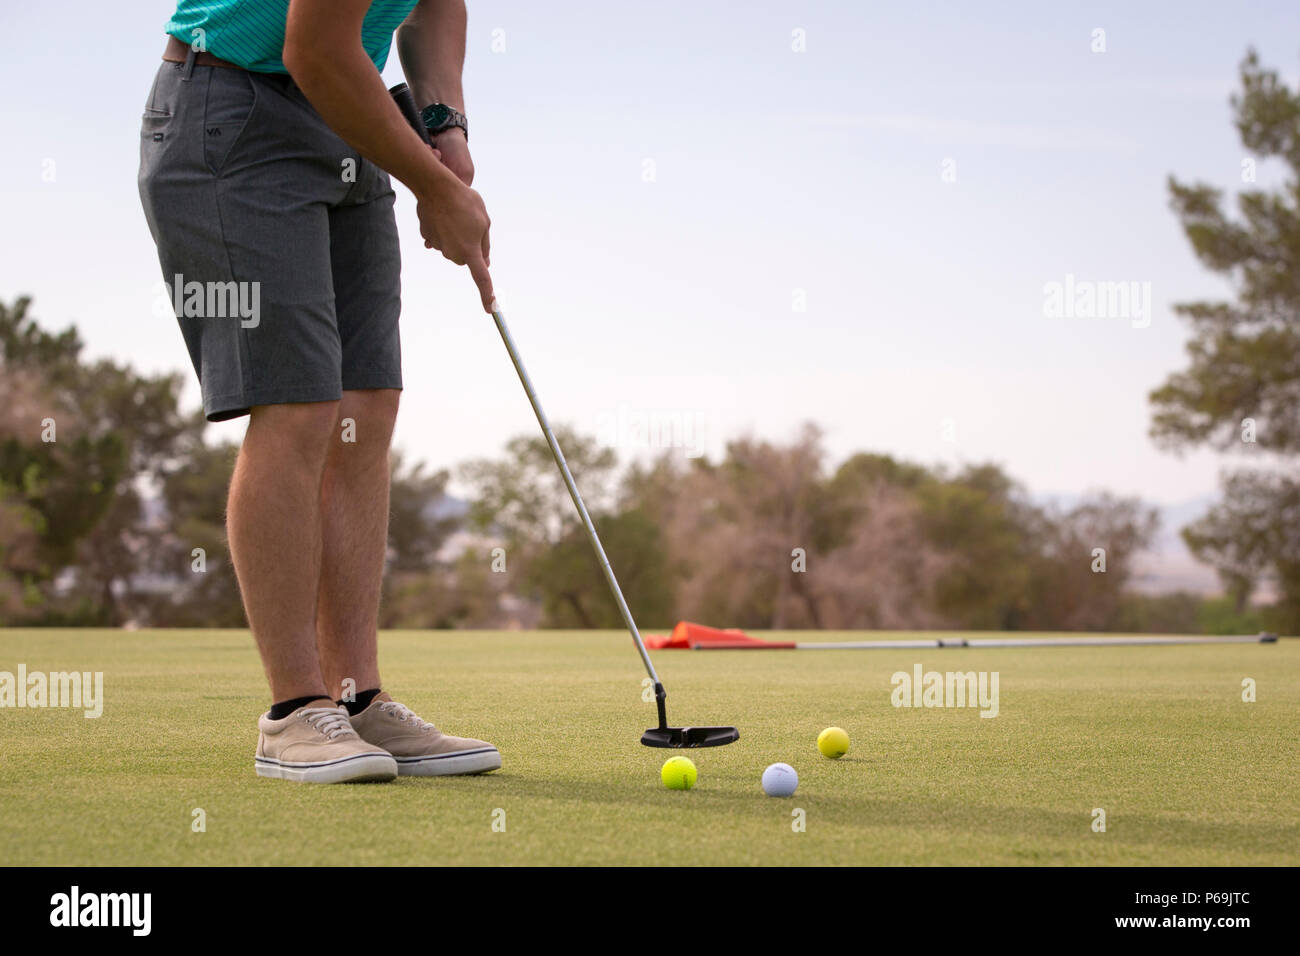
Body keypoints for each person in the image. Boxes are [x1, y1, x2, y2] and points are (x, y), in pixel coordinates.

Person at [138, 0, 499, 783]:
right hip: (233, 111)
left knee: (365, 406)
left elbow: (435, 7)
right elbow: (316, 46)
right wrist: (432, 191)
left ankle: (354, 697)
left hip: (349, 116)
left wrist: (445, 126)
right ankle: (295, 712)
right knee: (300, 403)